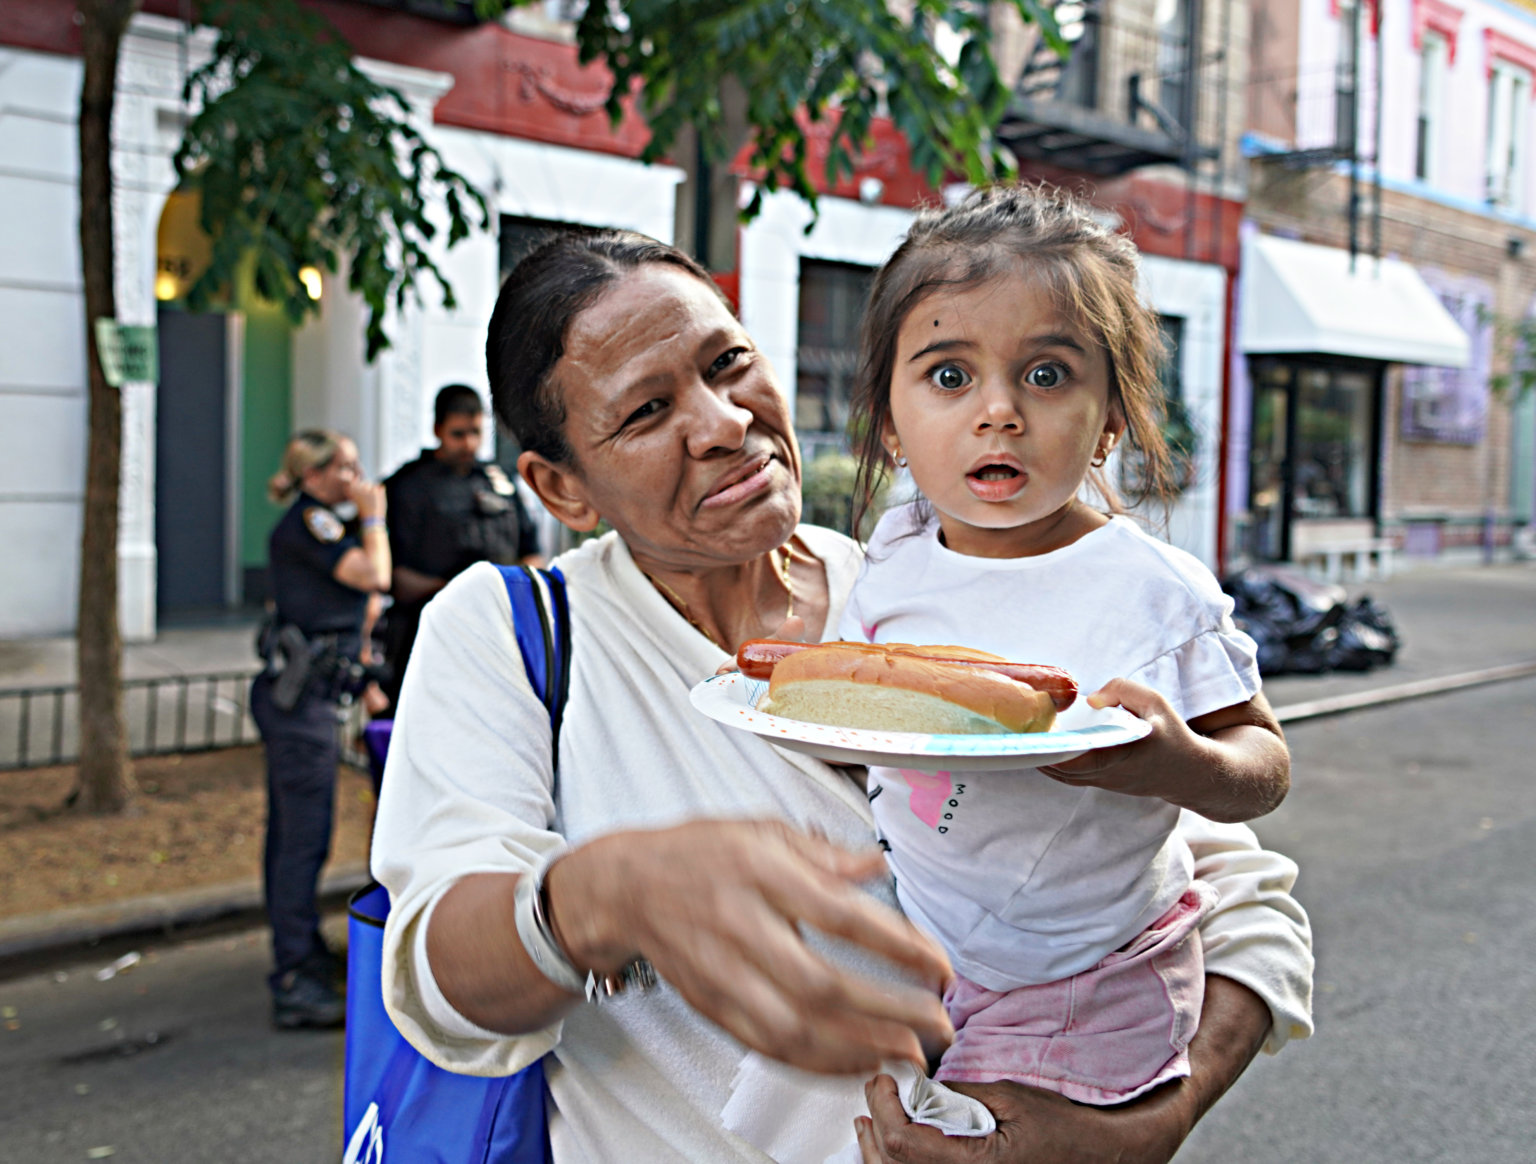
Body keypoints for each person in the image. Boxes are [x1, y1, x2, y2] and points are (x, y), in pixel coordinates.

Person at [369, 230, 1313, 1163]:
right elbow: (437, 987)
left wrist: (1142, 1127)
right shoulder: (512, 631)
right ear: (561, 488)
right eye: (648, 411)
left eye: (728, 362)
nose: (725, 422)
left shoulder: (917, 587)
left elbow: (1234, 891)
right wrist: (602, 898)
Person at [831, 184, 1290, 1123]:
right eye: (949, 377)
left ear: (1111, 417)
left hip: (1088, 974)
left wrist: (1179, 764)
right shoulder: (896, 554)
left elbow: (1265, 765)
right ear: (888, 421)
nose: (998, 412)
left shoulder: (1152, 590)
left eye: (1046, 375)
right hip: (924, 946)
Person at [254, 430, 390, 1029]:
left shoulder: (322, 523)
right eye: (344, 467)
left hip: (315, 696)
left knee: (297, 833)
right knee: (301, 838)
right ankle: (294, 977)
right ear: (313, 476)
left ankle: (303, 950)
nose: (356, 477)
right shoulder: (311, 524)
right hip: (297, 703)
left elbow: (348, 612)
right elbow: (374, 576)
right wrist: (374, 518)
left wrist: (365, 681)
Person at [380, 383, 544, 708]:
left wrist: (514, 589)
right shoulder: (408, 486)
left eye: (475, 433)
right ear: (437, 429)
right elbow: (395, 578)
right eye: (458, 434)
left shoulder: (498, 481)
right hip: (428, 633)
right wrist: (463, 591)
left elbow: (532, 552)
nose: (468, 444)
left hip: (499, 632)